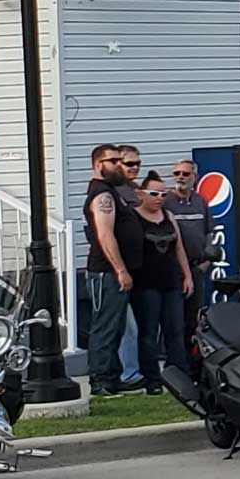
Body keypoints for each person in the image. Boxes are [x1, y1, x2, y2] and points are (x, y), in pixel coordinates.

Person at [84, 143, 144, 396]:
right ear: (99, 165)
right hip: (106, 272)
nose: (120, 165)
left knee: (119, 326)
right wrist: (120, 270)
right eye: (114, 161)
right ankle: (100, 380)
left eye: (121, 160)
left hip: (116, 272)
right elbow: (105, 235)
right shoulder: (102, 195)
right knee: (105, 326)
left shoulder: (113, 191)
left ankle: (115, 374)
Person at [130, 171, 195, 393]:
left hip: (171, 282)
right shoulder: (133, 217)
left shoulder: (168, 217)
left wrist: (187, 275)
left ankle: (178, 373)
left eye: (163, 193)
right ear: (141, 194)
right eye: (154, 193)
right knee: (149, 332)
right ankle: (152, 378)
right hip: (145, 283)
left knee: (175, 329)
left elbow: (179, 248)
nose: (159, 198)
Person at [163, 159, 213, 345]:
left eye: (185, 174)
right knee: (174, 321)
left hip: (196, 269)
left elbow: (209, 232)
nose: (180, 177)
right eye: (177, 173)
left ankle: (192, 364)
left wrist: (206, 263)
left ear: (195, 177)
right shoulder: (166, 201)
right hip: (173, 271)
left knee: (194, 319)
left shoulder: (201, 201)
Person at [115, 144, 144, 387]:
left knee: (142, 323)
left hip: (142, 267)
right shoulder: (113, 194)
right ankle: (128, 374)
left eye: (137, 164)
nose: (134, 168)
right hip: (118, 269)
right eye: (129, 164)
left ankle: (140, 370)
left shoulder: (138, 190)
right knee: (126, 325)